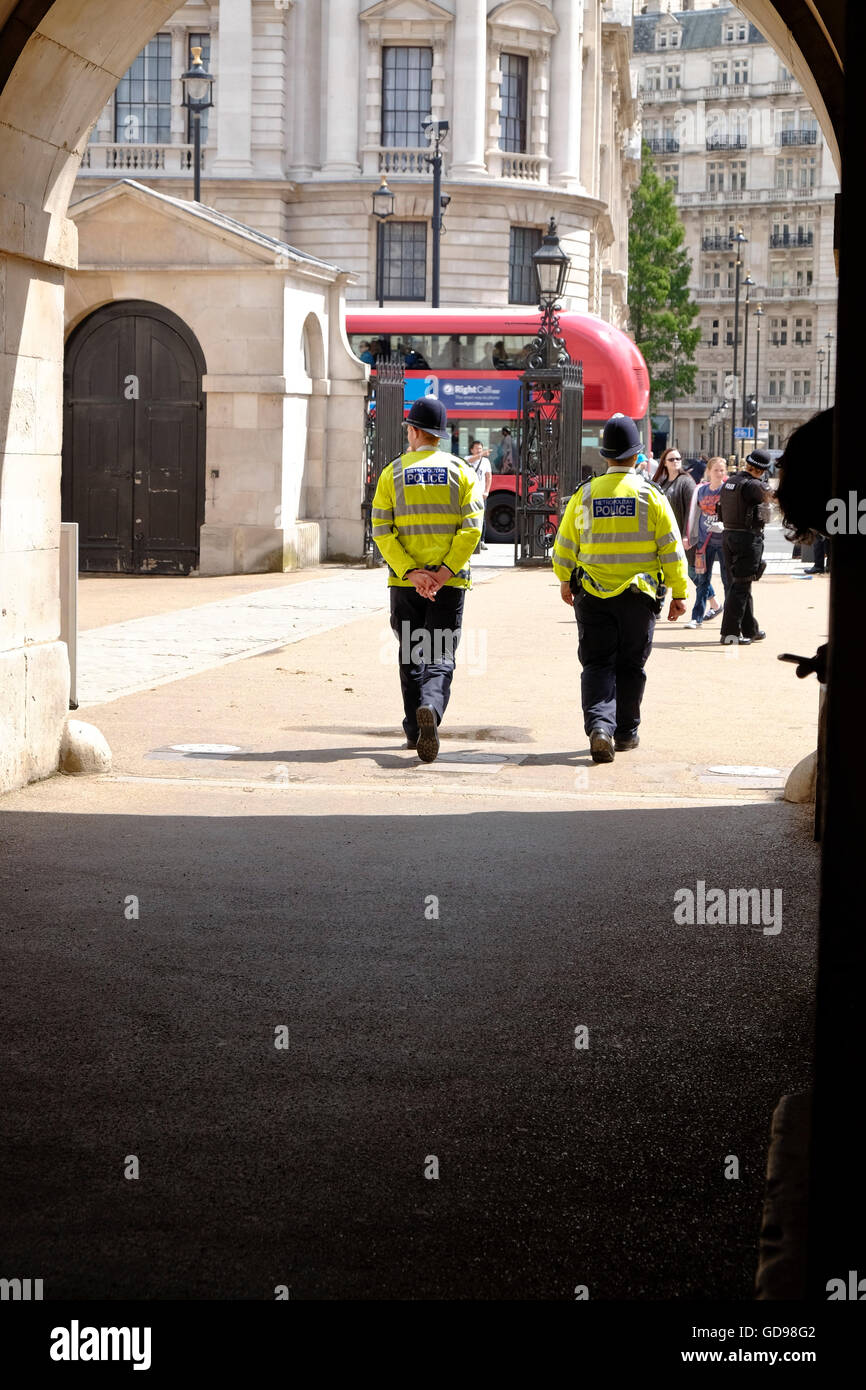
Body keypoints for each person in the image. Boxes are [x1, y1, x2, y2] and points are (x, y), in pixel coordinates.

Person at [551, 413, 689, 762]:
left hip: (593, 596)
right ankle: (625, 733)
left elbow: (565, 544)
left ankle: (600, 726)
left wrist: (565, 580)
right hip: (638, 598)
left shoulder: (585, 494)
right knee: (631, 665)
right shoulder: (651, 496)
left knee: (597, 664)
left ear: (605, 455)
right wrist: (679, 592)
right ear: (637, 456)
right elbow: (671, 547)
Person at [370, 396, 484, 762]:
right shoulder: (462, 471)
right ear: (440, 434)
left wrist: (412, 572)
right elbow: (472, 529)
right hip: (449, 584)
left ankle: (412, 729)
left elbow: (381, 529)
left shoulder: (393, 473)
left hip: (405, 584)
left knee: (410, 655)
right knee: (439, 654)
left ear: (416, 431)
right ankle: (431, 710)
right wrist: (443, 572)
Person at [717, 448, 774, 645]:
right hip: (747, 539)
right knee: (740, 587)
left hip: (728, 536)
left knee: (742, 584)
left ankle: (750, 629)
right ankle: (730, 634)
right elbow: (774, 498)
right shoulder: (754, 486)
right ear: (762, 470)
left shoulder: (731, 482)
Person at [684, 455, 727, 627]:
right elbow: (694, 514)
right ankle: (696, 617)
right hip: (704, 541)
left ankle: (730, 618)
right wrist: (690, 536)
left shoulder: (727, 489)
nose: (719, 473)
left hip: (723, 541)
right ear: (708, 471)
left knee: (727, 580)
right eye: (715, 470)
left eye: (722, 470)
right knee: (702, 580)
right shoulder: (701, 490)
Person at [464, 439, 492, 550]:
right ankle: (469, 542)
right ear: (472, 450)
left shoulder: (486, 462)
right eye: (476, 448)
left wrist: (487, 491)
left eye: (480, 448)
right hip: (469, 493)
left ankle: (481, 541)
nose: (479, 450)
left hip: (481, 494)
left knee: (482, 518)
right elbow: (469, 460)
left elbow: (488, 477)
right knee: (468, 517)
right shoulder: (467, 459)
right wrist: (481, 454)